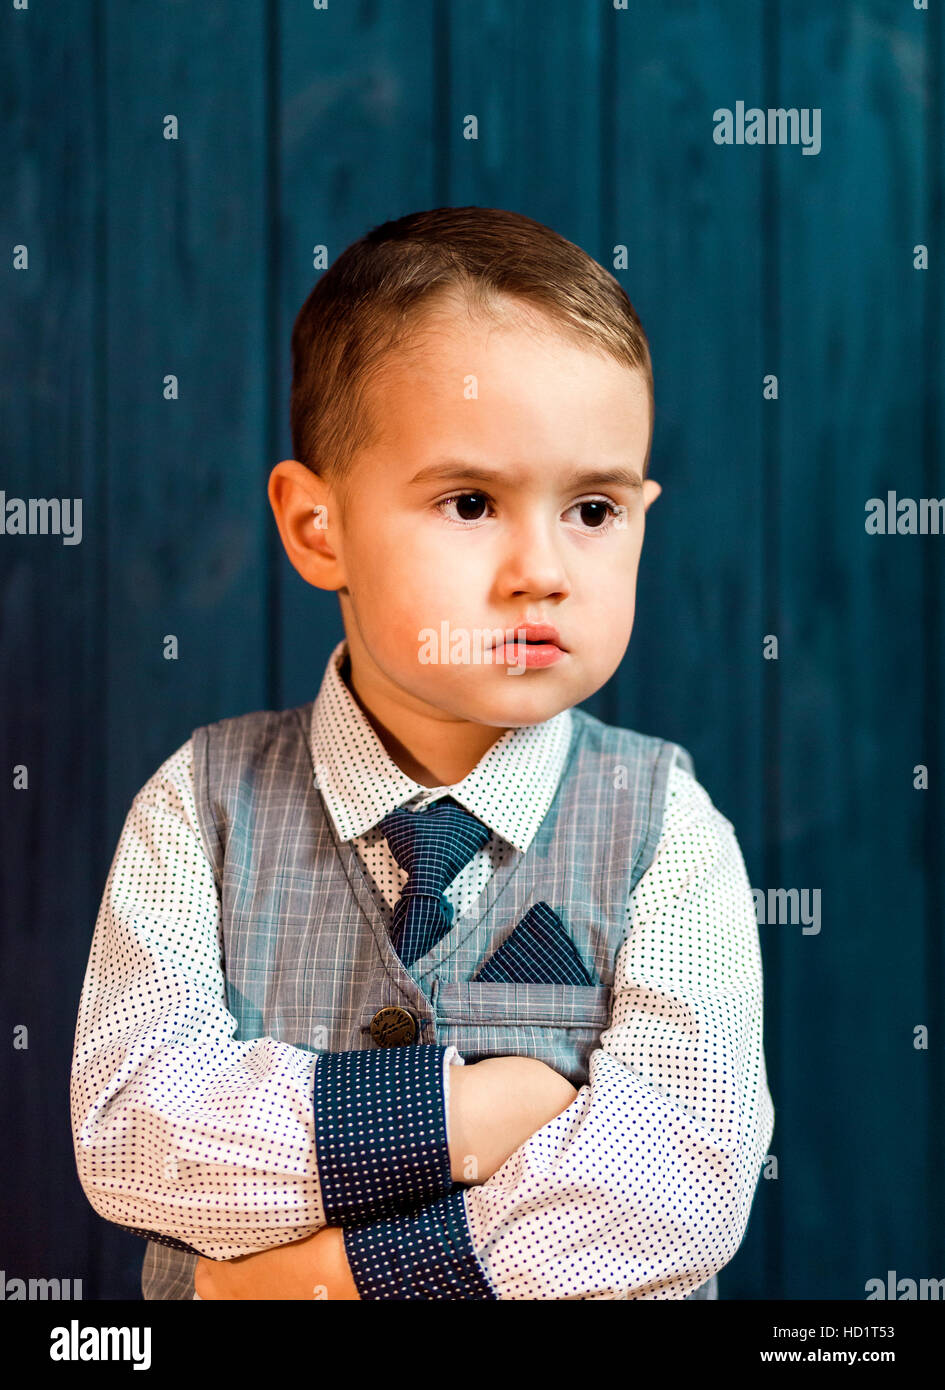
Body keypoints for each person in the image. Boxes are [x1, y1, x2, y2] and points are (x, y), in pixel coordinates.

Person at [70, 206, 774, 1300]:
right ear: (320, 530)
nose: (541, 569)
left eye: (593, 508)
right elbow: (129, 1127)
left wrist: (330, 1281)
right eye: (471, 502)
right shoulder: (198, 807)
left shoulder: (666, 831)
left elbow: (678, 1180)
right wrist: (458, 1118)